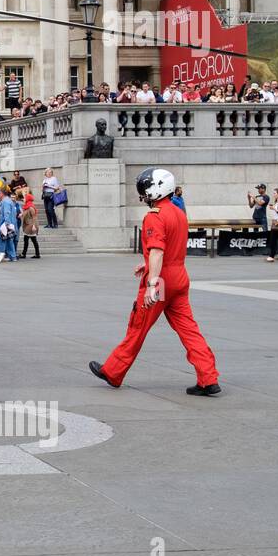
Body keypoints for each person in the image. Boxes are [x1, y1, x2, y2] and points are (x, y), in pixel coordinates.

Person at [90, 168, 220, 396]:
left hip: (161, 281)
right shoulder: (178, 212)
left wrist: (152, 284)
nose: (143, 195)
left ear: (157, 189)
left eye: (145, 189)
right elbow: (167, 249)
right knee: (189, 330)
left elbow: (158, 251)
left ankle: (113, 371)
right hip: (179, 276)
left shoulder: (155, 216)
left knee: (138, 326)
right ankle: (208, 377)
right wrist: (148, 263)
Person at [0, 188, 19, 262]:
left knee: (1, 240)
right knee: (9, 240)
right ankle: (13, 256)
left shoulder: (5, 202)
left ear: (1, 194)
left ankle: (0, 255)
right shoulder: (9, 201)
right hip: (10, 224)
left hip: (5, 224)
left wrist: (6, 223)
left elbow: (7, 213)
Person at [20, 188, 41, 259]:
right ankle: (35, 254)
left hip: (30, 226)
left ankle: (25, 254)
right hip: (28, 225)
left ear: (28, 199)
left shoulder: (31, 207)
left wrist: (34, 226)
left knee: (32, 240)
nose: (24, 199)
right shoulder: (27, 206)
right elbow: (25, 214)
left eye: (25, 198)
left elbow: (34, 217)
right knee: (30, 240)